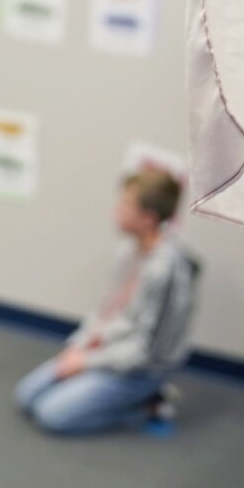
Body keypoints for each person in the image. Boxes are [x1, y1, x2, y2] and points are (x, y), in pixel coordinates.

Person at [15, 167, 200, 435]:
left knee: (51, 415)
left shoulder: (166, 270)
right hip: (105, 351)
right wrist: (79, 347)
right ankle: (98, 389)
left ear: (147, 218)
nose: (116, 211)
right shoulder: (129, 250)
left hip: (138, 370)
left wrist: (85, 363)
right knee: (26, 397)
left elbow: (144, 353)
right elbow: (105, 312)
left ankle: (148, 406)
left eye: (126, 205)